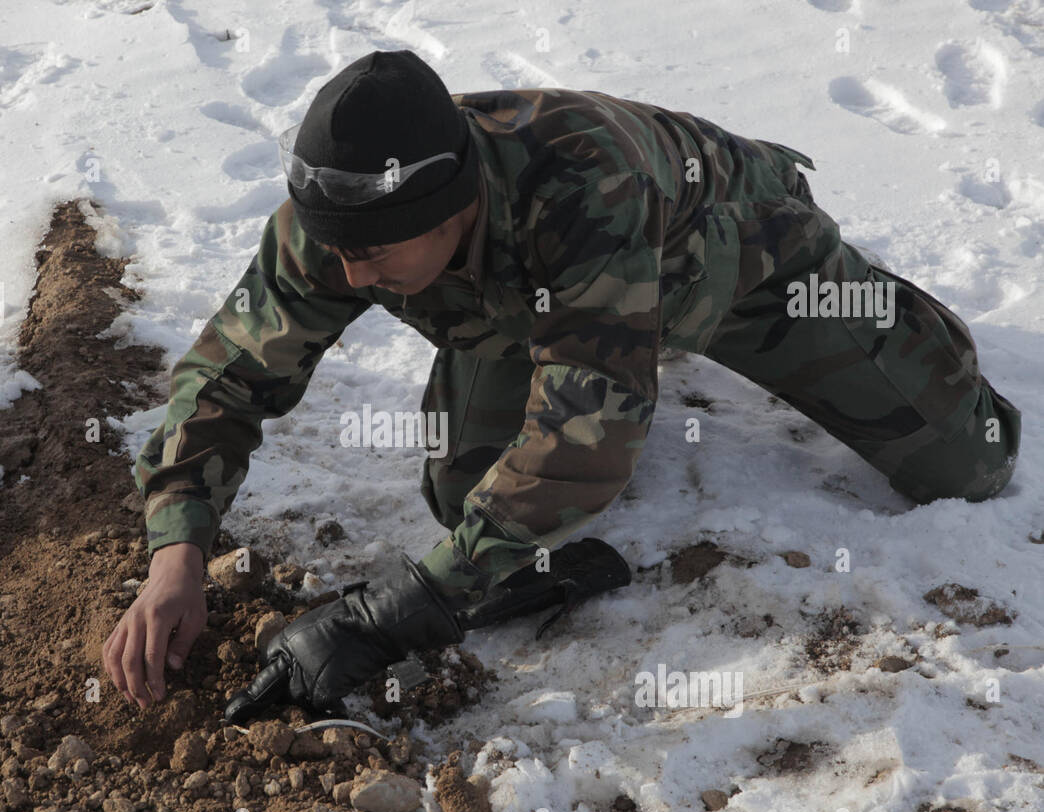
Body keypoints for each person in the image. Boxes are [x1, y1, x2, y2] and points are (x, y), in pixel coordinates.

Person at [102, 49, 1022, 715]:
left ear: (454, 206)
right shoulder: (342, 214)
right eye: (335, 253)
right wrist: (176, 551)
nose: (346, 279)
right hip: (533, 304)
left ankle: (888, 322)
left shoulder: (587, 187)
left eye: (372, 257)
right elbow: (228, 373)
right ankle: (600, 349)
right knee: (468, 499)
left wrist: (392, 618)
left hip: (743, 260)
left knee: (967, 463)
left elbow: (583, 439)